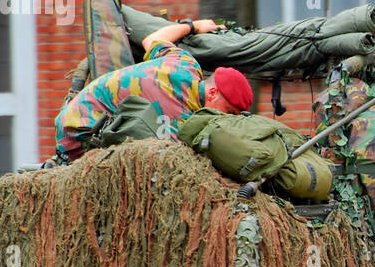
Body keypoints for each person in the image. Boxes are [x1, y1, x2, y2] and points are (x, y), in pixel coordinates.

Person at [54, 17, 254, 160]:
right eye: (228, 112)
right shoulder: (180, 119)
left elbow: (150, 40)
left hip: (76, 114)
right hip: (78, 137)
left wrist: (194, 25)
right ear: (212, 93)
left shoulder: (185, 63)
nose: (226, 119)